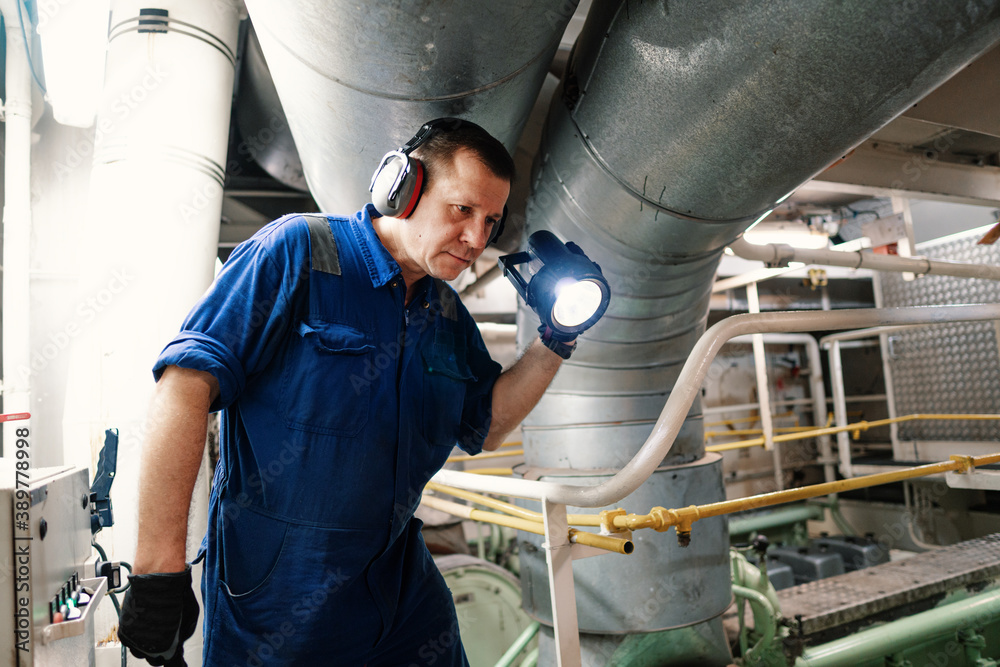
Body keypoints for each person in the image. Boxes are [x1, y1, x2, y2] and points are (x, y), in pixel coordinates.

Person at [118, 119, 585, 666]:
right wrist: (158, 569)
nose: (478, 239)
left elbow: (487, 423)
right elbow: (185, 385)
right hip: (281, 593)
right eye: (462, 210)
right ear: (402, 189)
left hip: (400, 588)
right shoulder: (300, 252)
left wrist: (558, 336)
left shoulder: (445, 313)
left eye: (491, 221)